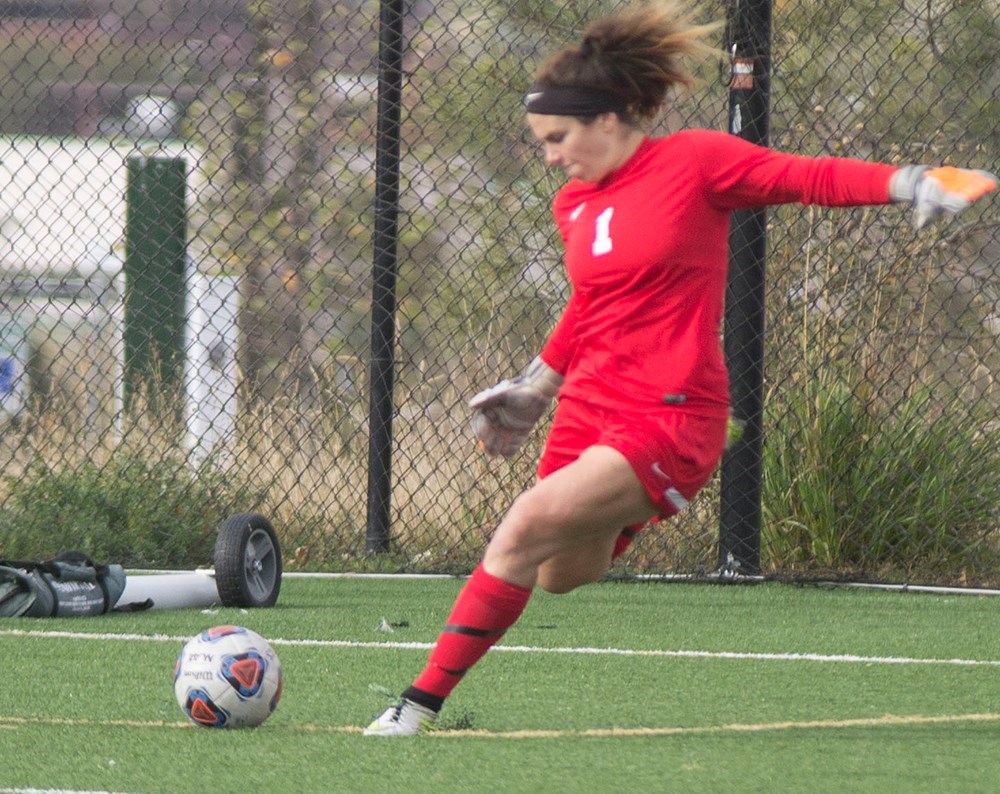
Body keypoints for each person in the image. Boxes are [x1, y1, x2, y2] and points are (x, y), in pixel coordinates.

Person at [363, 1, 998, 736]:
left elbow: (805, 176)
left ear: (608, 120)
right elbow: (590, 303)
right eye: (541, 142)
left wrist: (911, 181)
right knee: (556, 573)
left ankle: (415, 705)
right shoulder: (573, 203)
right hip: (588, 407)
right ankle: (637, 503)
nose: (549, 155)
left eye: (558, 137)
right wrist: (537, 385)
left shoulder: (693, 162)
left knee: (520, 529)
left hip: (671, 410)